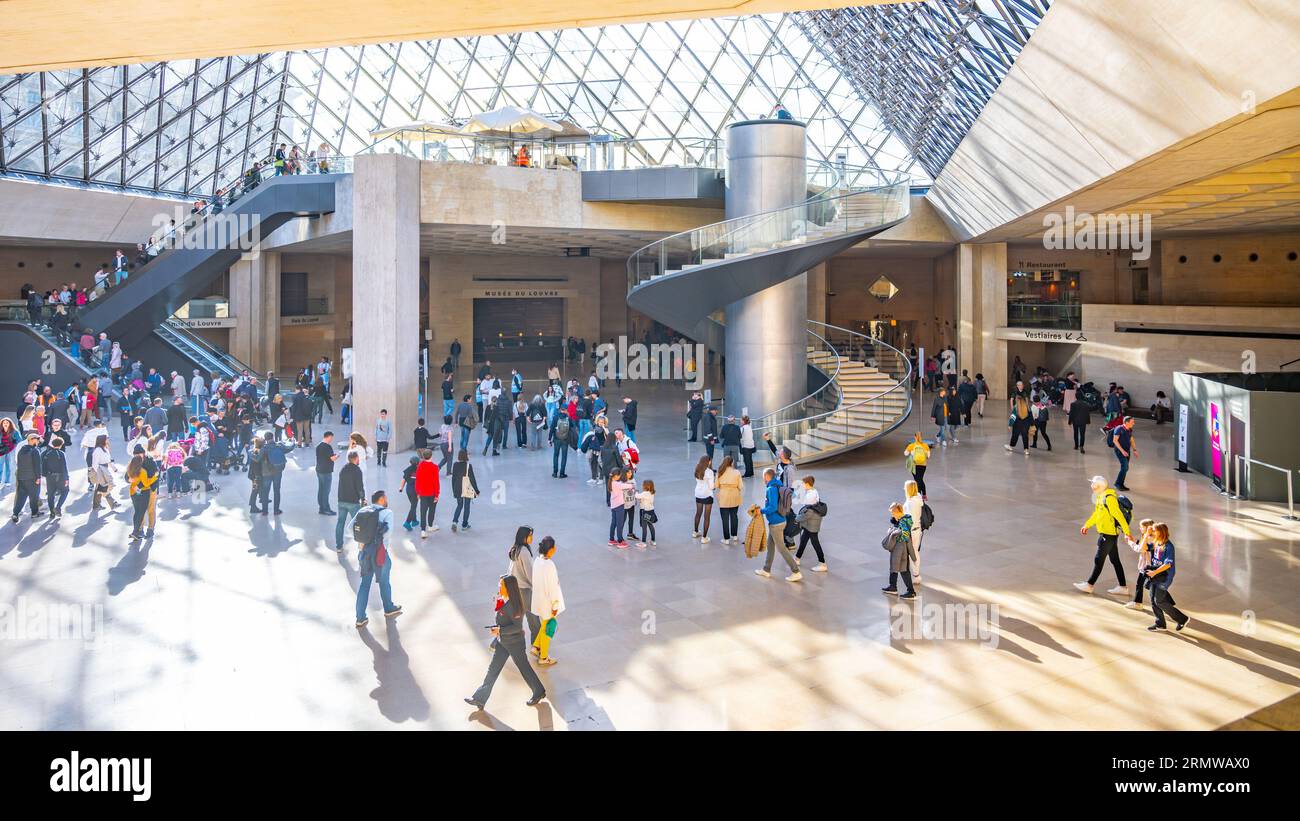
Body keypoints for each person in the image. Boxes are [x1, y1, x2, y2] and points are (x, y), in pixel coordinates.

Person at [464, 574, 547, 710]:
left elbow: (517, 627)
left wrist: (499, 630)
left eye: (501, 585)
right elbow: (503, 619)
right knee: (493, 670)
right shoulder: (504, 600)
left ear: (508, 588)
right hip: (503, 642)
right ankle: (479, 699)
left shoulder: (515, 605)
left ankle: (539, 692)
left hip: (515, 644)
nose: (499, 587)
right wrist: (498, 630)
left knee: (524, 668)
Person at [1074, 475, 1132, 596]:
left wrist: (1127, 533)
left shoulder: (1109, 498)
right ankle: (1123, 587)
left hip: (1109, 534)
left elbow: (1119, 516)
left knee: (1098, 560)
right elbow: (1097, 514)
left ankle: (1089, 585)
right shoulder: (1101, 496)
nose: (1091, 486)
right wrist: (1087, 525)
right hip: (1107, 533)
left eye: (1093, 484)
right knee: (1115, 560)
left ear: (1098, 486)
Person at [353, 491, 402, 628]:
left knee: (364, 584)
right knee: (384, 581)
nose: (387, 500)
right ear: (381, 500)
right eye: (385, 498)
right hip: (379, 552)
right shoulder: (387, 513)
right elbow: (388, 533)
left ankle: (360, 618)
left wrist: (363, 541)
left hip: (364, 553)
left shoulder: (363, 510)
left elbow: (350, 528)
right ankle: (388, 608)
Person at [754, 467, 801, 582]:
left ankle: (796, 571)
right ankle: (766, 570)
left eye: (763, 476)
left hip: (776, 523)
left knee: (782, 548)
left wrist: (761, 511)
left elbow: (773, 507)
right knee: (770, 546)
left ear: (766, 477)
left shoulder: (771, 489)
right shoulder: (778, 484)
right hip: (779, 520)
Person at [1144, 523, 1190, 632]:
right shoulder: (1156, 543)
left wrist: (1154, 572)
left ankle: (1182, 619)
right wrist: (1147, 534)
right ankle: (1160, 623)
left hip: (1163, 577)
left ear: (1161, 532)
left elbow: (1168, 564)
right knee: (1153, 600)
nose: (1153, 533)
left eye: (1155, 531)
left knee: (1159, 601)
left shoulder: (1169, 546)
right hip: (1155, 576)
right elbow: (1144, 547)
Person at [530, 536, 564, 665]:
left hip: (538, 599)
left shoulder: (537, 561)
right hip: (548, 601)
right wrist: (555, 605)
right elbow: (552, 587)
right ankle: (543, 657)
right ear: (551, 549)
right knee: (549, 626)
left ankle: (536, 647)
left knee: (545, 623)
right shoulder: (550, 565)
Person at [507, 526, 543, 644]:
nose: (532, 538)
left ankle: (496, 643)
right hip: (524, 591)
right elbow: (530, 574)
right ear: (524, 537)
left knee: (513, 621)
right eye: (530, 535)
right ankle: (537, 648)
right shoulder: (524, 552)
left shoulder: (516, 549)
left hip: (515, 589)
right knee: (534, 622)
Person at [880, 502, 918, 599]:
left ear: (897, 512)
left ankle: (911, 592)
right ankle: (893, 587)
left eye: (893, 513)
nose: (892, 515)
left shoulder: (903, 521)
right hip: (898, 550)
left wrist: (895, 536)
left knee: (903, 570)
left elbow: (905, 535)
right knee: (894, 567)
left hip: (901, 551)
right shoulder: (901, 520)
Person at [792, 475, 828, 572]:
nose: (802, 485)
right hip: (811, 522)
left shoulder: (810, 496)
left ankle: (822, 563)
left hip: (812, 523)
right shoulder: (813, 491)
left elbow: (807, 513)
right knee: (804, 540)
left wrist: (796, 519)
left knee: (815, 542)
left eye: (803, 483)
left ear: (807, 484)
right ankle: (797, 558)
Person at [1124, 518, 1157, 611]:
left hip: (1148, 566)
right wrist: (1134, 539)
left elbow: (1140, 549)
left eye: (1141, 527)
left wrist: (1130, 542)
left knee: (1143, 584)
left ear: (1147, 528)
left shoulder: (1150, 538)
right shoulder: (1149, 537)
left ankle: (1138, 603)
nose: (1140, 528)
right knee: (1145, 584)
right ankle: (1137, 602)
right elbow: (1142, 545)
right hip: (1147, 565)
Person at [125, 452, 159, 541]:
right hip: (144, 493)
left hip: (134, 492)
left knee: (138, 512)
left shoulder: (130, 467)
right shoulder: (142, 470)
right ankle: (137, 531)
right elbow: (146, 483)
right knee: (142, 512)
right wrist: (155, 477)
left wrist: (132, 482)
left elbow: (128, 477)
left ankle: (139, 531)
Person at [10, 432, 43, 522]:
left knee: (21, 497)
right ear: (31, 440)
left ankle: (15, 513)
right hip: (32, 479)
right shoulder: (35, 451)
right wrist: (38, 477)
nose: (38, 441)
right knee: (34, 496)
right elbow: (37, 466)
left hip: (21, 477)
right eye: (37, 439)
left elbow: (19, 464)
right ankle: (34, 513)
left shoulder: (21, 450)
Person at [335, 451, 365, 553]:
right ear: (356, 458)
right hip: (353, 502)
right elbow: (359, 486)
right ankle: (361, 545)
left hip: (341, 500)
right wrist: (363, 498)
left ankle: (339, 546)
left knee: (340, 523)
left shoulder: (343, 469)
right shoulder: (357, 470)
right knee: (358, 524)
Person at [257, 433, 288, 515]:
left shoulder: (264, 448)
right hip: (278, 471)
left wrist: (250, 452)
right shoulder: (278, 446)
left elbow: (258, 458)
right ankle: (276, 510)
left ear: (265, 439)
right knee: (277, 491)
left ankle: (265, 511)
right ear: (273, 437)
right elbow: (288, 449)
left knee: (265, 491)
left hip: (267, 472)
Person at [716, 455, 743, 545]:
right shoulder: (737, 472)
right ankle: (734, 535)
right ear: (731, 463)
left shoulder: (720, 472)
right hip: (735, 495)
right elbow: (740, 486)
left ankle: (726, 539)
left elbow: (716, 485)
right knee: (734, 515)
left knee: (725, 518)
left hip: (723, 496)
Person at [450, 449, 479, 532]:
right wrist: (477, 491)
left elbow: (453, 478)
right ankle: (464, 524)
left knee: (459, 505)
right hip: (466, 488)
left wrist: (454, 491)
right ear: (466, 456)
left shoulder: (455, 465)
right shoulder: (468, 466)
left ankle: (454, 522)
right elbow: (472, 479)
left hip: (457, 488)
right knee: (467, 507)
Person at [414, 448, 440, 538]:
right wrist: (437, 494)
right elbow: (436, 482)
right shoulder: (435, 467)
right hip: (432, 493)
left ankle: (423, 530)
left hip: (423, 493)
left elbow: (418, 481)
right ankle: (430, 526)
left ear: (423, 457)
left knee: (423, 511)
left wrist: (417, 492)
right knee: (432, 510)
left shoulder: (420, 466)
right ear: (431, 456)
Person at [903, 479, 925, 581]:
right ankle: (916, 573)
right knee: (915, 551)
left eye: (905, 487)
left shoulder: (909, 503)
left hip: (912, 530)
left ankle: (916, 575)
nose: (904, 489)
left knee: (912, 553)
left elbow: (908, 519)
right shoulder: (918, 498)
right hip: (918, 529)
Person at [608, 468, 634, 548]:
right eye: (619, 475)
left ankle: (611, 539)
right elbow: (629, 486)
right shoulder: (617, 484)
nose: (620, 477)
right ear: (616, 476)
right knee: (619, 523)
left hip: (613, 505)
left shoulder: (611, 482)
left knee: (614, 523)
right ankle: (620, 541)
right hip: (619, 506)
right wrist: (632, 485)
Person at [692, 455, 715, 543]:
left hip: (698, 493)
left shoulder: (697, 468)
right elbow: (711, 486)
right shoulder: (709, 472)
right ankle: (704, 538)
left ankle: (695, 532)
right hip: (707, 494)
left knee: (698, 513)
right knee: (706, 517)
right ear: (708, 462)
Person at [315, 431, 338, 515]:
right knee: (326, 491)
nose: (331, 440)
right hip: (326, 471)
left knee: (321, 489)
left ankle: (321, 507)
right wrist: (337, 456)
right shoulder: (328, 447)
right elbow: (332, 458)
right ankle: (326, 508)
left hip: (319, 470)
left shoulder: (318, 446)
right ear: (328, 437)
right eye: (331, 438)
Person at [1112, 416, 1137, 491]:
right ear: (1126, 422)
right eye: (1132, 422)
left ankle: (1121, 484)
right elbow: (1115, 441)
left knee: (1125, 468)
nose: (1134, 423)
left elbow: (1131, 439)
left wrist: (1134, 450)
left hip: (1127, 451)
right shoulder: (1119, 429)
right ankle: (1118, 484)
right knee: (1125, 467)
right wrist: (1122, 451)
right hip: (1120, 451)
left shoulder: (1129, 429)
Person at [904, 432, 930, 500]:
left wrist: (911, 452)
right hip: (923, 465)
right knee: (920, 479)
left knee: (917, 480)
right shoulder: (925, 445)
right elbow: (928, 456)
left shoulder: (911, 445)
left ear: (915, 437)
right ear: (921, 437)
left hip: (914, 465)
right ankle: (924, 495)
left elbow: (905, 454)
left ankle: (918, 496)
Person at [635, 479, 657, 549]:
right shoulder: (652, 492)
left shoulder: (645, 493)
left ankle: (643, 542)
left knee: (644, 527)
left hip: (645, 512)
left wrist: (635, 491)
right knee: (650, 525)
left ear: (645, 486)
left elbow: (637, 496)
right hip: (651, 511)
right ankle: (653, 540)